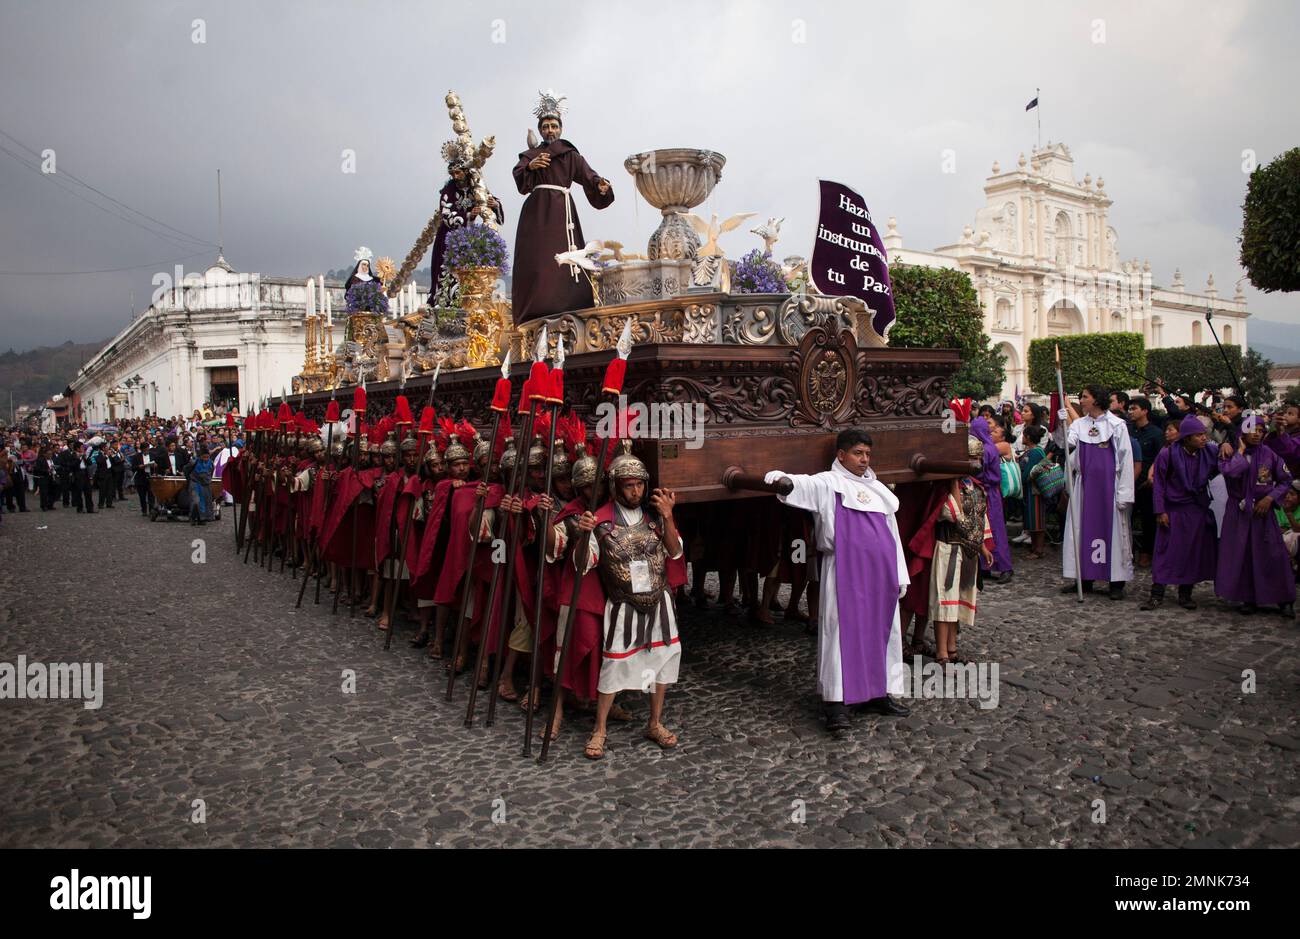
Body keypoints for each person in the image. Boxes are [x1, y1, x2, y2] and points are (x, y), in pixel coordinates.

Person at [763, 429, 912, 735]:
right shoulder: (827, 483)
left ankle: (878, 693)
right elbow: (797, 484)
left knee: (884, 633)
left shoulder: (880, 490)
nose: (864, 459)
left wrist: (900, 574)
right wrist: (777, 477)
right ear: (842, 455)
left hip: (880, 576)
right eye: (858, 453)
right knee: (840, 636)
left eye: (868, 454)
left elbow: (892, 536)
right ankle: (837, 704)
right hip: (844, 571)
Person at [572, 442, 686, 759]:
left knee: (663, 661)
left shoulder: (655, 518)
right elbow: (582, 564)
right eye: (628, 485)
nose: (635, 491)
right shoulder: (600, 521)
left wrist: (668, 516)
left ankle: (654, 722)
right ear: (615, 486)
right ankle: (600, 729)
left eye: (638, 484)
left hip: (659, 602)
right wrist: (583, 535)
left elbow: (675, 552)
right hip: (623, 605)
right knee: (614, 666)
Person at [511, 91, 615, 323]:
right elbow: (520, 177)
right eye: (546, 126)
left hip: (563, 212)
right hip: (537, 215)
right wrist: (531, 167)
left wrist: (601, 186)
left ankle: (571, 305)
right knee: (539, 262)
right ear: (540, 129)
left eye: (554, 125)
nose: (550, 130)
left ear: (560, 128)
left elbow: (590, 176)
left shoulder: (569, 155)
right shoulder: (532, 155)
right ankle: (536, 309)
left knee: (568, 263)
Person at [1060, 384, 1134, 600]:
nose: (1080, 400)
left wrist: (1124, 493)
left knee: (1113, 535)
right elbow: (1066, 446)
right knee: (1081, 530)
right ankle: (1084, 579)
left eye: (1084, 397)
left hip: (1109, 488)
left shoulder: (1117, 425)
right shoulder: (1079, 425)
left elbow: (1125, 458)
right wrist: (1061, 426)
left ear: (1096, 400)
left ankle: (1116, 582)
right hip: (1084, 487)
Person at [1139, 416, 1218, 611]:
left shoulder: (1208, 452)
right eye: (1199, 435)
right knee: (1166, 552)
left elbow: (1226, 458)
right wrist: (1160, 510)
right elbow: (1159, 484)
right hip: (1173, 509)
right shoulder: (1168, 454)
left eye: (1204, 434)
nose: (1203, 438)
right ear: (1187, 437)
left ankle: (1186, 594)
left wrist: (1227, 446)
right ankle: (1157, 594)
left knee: (1191, 552)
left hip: (1196, 509)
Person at [1215, 423, 1295, 616]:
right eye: (1253, 430)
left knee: (1273, 553)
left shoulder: (1270, 454)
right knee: (1242, 554)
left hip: (1263, 512)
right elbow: (1231, 472)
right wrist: (1240, 451)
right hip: (1238, 511)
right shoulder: (1230, 452)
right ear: (1242, 432)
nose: (1257, 434)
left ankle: (1284, 599)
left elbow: (1285, 480)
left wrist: (1270, 498)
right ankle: (1248, 597)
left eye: (1261, 431)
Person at [929, 444, 994, 666]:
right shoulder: (945, 489)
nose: (976, 463)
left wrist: (983, 546)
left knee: (959, 602)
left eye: (978, 458)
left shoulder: (976, 487)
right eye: (971, 458)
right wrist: (952, 482)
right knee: (945, 600)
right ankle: (942, 653)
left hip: (969, 552)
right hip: (949, 547)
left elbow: (979, 516)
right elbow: (955, 515)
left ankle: (952, 648)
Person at [970, 417, 1014, 584]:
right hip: (987, 491)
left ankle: (1005, 567)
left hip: (989, 493)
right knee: (985, 528)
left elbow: (978, 470)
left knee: (995, 530)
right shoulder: (988, 447)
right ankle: (986, 565)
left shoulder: (986, 449)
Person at [1126, 396, 1166, 568]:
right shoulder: (1127, 431)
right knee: (1126, 520)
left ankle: (1146, 553)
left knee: (1148, 521)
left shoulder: (1156, 433)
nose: (1130, 412)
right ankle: (1128, 551)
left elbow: (1161, 457)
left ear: (1144, 411)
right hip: (1128, 483)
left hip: (1147, 484)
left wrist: (1153, 477)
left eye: (1134, 408)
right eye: (1129, 408)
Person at [185, 445, 214, 525]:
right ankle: (193, 517)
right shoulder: (194, 462)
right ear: (200, 456)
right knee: (196, 501)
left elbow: (211, 472)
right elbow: (186, 470)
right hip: (195, 483)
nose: (205, 459)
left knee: (205, 502)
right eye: (204, 457)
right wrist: (189, 480)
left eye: (207, 457)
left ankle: (202, 518)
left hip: (205, 484)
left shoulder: (211, 463)